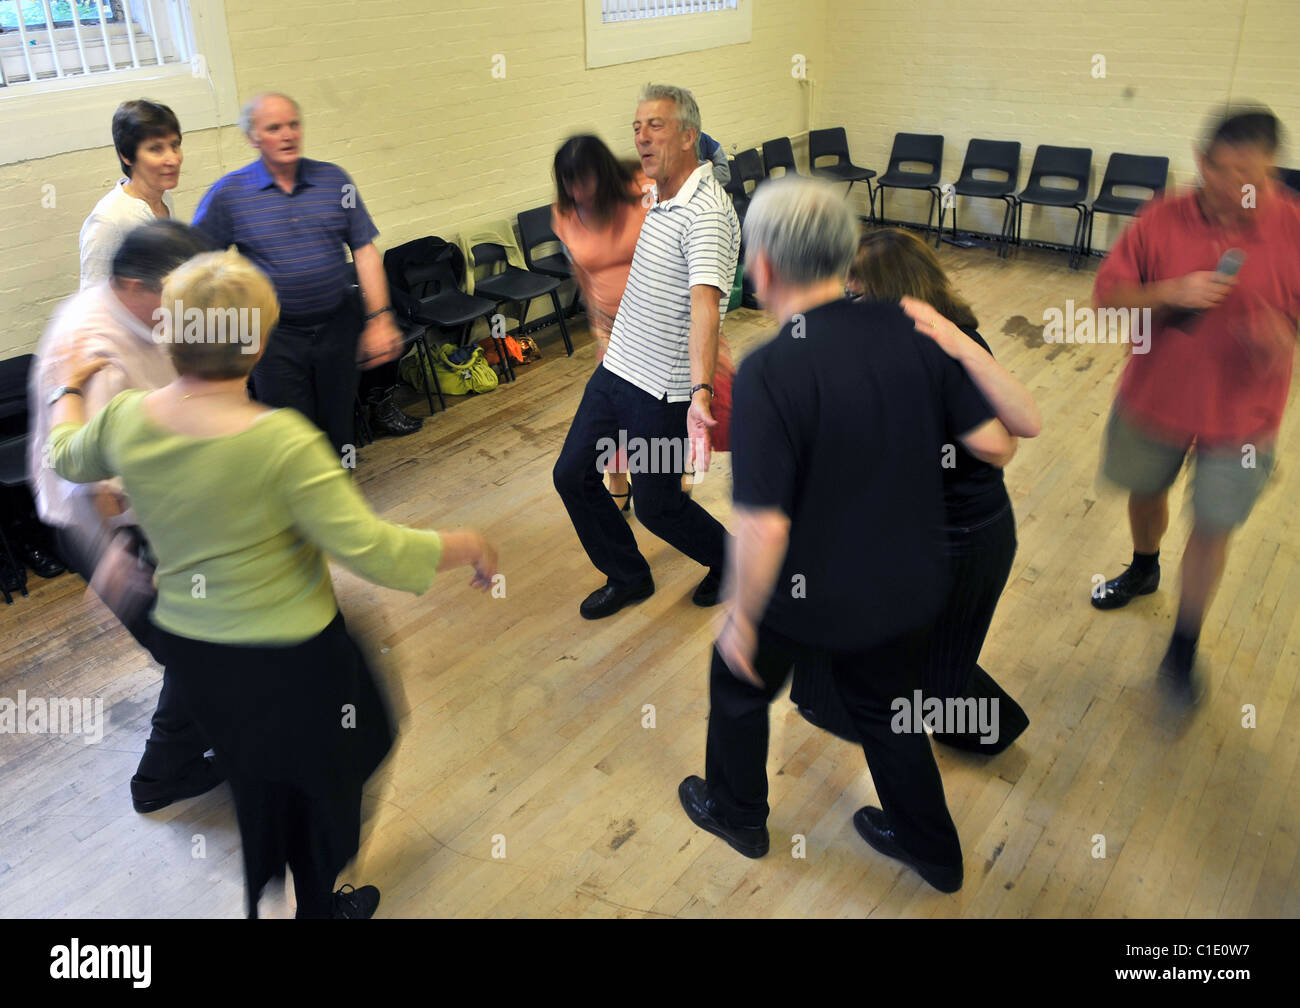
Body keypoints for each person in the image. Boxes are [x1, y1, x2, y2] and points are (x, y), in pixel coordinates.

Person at [45, 248, 498, 918]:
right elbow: (372, 549)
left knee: (264, 783)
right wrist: (467, 544)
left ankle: (282, 891)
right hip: (295, 658)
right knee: (351, 751)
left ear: (169, 335)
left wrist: (71, 386)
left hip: (200, 655)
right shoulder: (280, 442)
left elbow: (65, 455)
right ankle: (320, 901)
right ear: (257, 347)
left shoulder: (128, 417)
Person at [677, 177, 1017, 893]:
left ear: (763, 267)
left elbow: (763, 524)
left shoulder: (774, 367)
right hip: (905, 577)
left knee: (737, 685)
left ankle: (738, 813)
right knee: (888, 710)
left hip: (810, 585)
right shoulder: (911, 330)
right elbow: (995, 440)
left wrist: (740, 617)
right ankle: (936, 854)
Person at [790, 229, 1038, 754]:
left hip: (962, 542)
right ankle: (826, 701)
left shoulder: (938, 350)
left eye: (855, 291)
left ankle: (986, 739)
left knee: (930, 682)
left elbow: (1008, 440)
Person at [1089, 105, 1300, 702]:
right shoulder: (1161, 218)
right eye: (1230, 172)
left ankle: (1183, 646)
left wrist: (1284, 335)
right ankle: (1143, 565)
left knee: (1213, 527)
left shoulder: (1292, 226)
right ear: (1201, 161)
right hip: (1154, 402)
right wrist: (1168, 292)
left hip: (1244, 422)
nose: (1244, 190)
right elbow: (1108, 300)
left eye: (1258, 178)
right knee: (1145, 492)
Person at [30, 219, 219, 814]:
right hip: (114, 531)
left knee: (204, 642)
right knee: (198, 649)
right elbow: (92, 483)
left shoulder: (141, 309)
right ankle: (163, 776)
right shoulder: (98, 350)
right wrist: (121, 560)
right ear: (131, 284)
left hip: (149, 512)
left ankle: (204, 736)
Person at [552, 84, 739, 620]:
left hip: (662, 390)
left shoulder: (705, 214)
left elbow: (705, 303)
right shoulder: (657, 194)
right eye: (636, 127)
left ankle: (733, 561)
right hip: (617, 370)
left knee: (658, 506)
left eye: (654, 125)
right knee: (572, 474)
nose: (640, 136)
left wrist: (701, 389)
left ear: (689, 135)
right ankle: (628, 576)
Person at [192, 92, 412, 456]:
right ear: (253, 137)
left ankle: (338, 492)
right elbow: (198, 267)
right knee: (290, 434)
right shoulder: (230, 195)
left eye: (293, 124)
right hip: (274, 338)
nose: (287, 134)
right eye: (274, 128)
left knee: (339, 424)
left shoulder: (334, 181)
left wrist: (379, 319)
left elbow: (364, 250)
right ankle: (297, 506)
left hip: (337, 329)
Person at [551, 134, 653, 513]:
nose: (576, 190)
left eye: (584, 179)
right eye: (568, 181)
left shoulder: (641, 192)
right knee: (614, 414)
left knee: (654, 413)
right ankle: (618, 481)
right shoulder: (564, 214)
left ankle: (668, 478)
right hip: (612, 332)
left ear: (604, 174)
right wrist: (598, 325)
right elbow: (581, 272)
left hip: (658, 327)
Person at [80, 100, 182, 290]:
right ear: (126, 155)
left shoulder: (164, 198)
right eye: (156, 149)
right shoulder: (109, 220)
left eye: (175, 145)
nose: (173, 159)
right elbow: (91, 298)